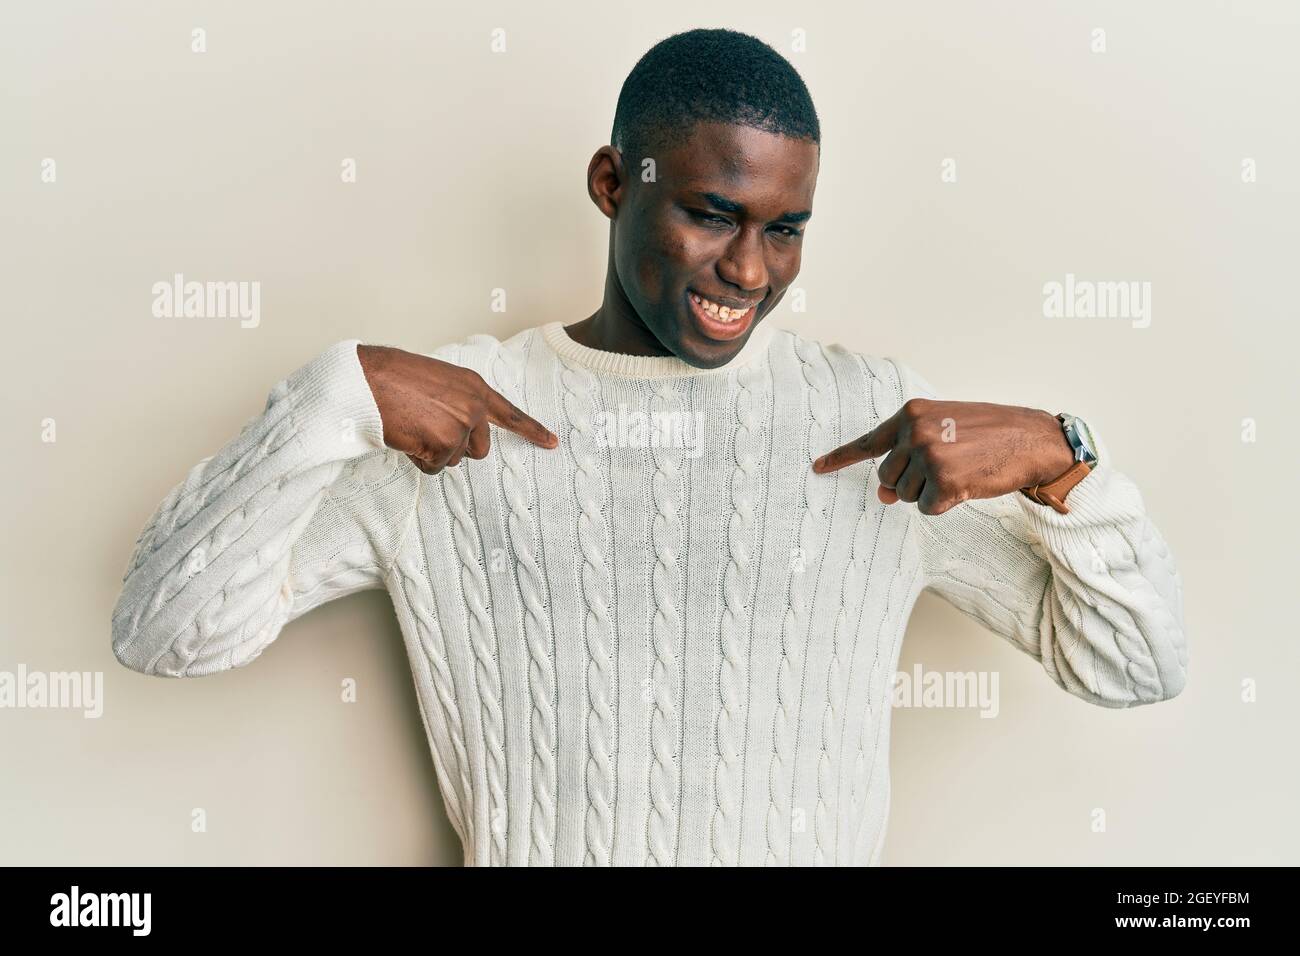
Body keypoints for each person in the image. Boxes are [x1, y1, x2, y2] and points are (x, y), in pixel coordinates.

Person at [110, 28, 1187, 867]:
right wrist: (331, 396)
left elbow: (1136, 667)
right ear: (613, 184)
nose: (751, 271)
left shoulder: (871, 421)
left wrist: (1066, 462)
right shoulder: (462, 419)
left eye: (786, 227)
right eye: (713, 214)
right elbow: (163, 632)